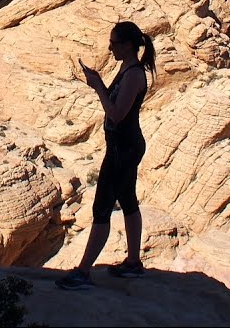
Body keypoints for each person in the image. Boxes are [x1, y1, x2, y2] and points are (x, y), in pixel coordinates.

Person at [55, 21, 156, 290]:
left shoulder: (134, 74)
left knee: (101, 207)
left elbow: (117, 113)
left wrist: (98, 85)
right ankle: (133, 263)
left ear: (127, 45)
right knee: (128, 199)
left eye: (114, 43)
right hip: (125, 145)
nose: (110, 48)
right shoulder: (128, 68)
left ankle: (84, 272)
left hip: (124, 148)